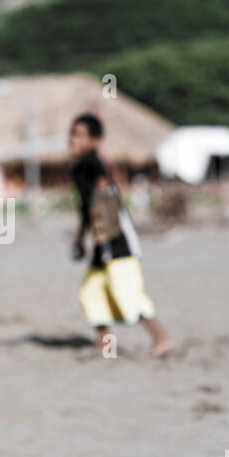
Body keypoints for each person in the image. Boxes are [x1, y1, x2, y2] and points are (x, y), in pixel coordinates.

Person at [68, 112, 175, 358]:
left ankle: (162, 338)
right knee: (91, 291)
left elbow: (105, 194)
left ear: (95, 141)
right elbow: (86, 209)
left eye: (79, 135)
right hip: (99, 240)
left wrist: (103, 231)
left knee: (126, 292)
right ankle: (105, 343)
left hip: (116, 238)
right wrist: (79, 239)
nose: (73, 140)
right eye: (72, 134)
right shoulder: (79, 167)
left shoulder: (92, 163)